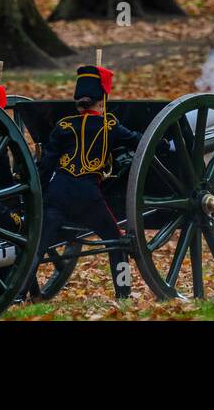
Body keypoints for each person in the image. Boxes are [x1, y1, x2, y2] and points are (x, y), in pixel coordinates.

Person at [31, 65, 139, 300]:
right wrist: (167, 146)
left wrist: (36, 191)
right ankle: (124, 293)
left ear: (78, 102)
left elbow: (46, 163)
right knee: (117, 241)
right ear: (101, 101)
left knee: (38, 247)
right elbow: (137, 142)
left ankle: (18, 294)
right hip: (88, 197)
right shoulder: (109, 125)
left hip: (57, 193)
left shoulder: (63, 125)